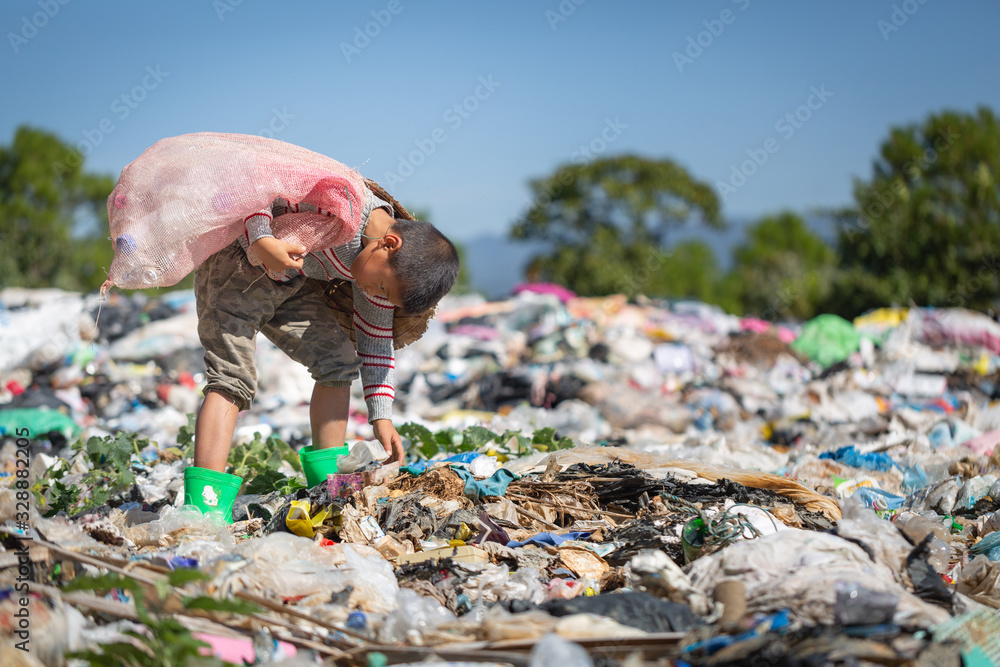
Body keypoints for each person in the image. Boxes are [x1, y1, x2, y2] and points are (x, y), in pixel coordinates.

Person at [183, 185, 459, 523]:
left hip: (287, 281)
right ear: (389, 244)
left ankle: (327, 490)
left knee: (339, 361)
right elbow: (259, 187)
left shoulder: (378, 270)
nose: (375, 294)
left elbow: (375, 344)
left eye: (386, 295)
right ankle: (204, 510)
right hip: (237, 263)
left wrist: (382, 417)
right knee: (232, 378)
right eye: (382, 288)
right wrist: (262, 239)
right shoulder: (343, 202)